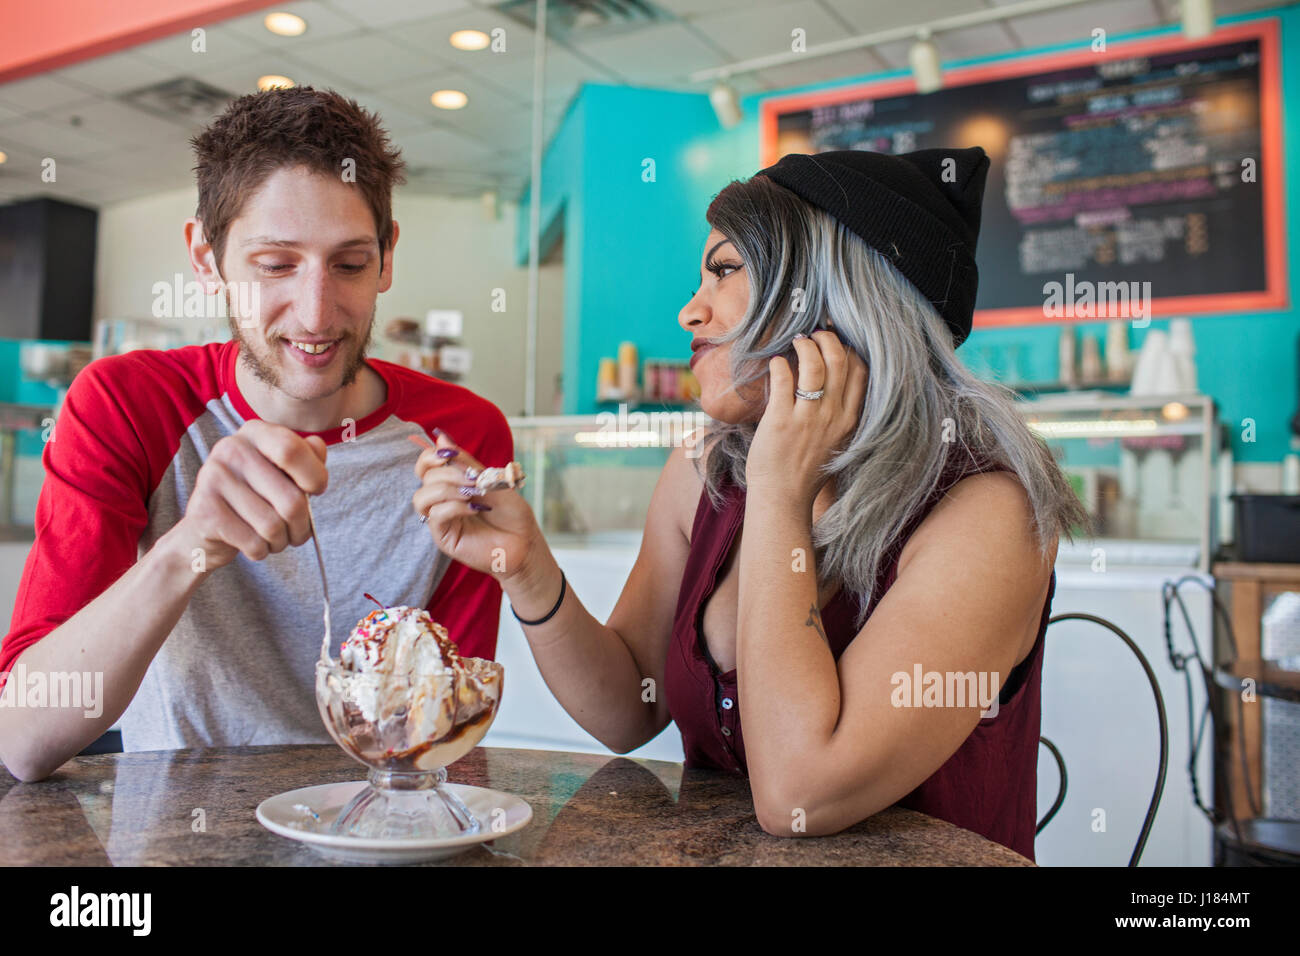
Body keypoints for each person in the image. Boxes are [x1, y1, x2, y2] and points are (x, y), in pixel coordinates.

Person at [412, 147, 1090, 859]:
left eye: (725, 269)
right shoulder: (706, 467)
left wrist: (779, 489)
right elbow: (630, 709)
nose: (689, 309)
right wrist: (527, 570)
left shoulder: (986, 514)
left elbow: (802, 792)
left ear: (831, 298)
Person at [0, 87, 512, 782]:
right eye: (275, 265)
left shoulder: (463, 432)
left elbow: (448, 728)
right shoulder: (128, 404)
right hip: (179, 841)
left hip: (379, 829)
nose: (315, 312)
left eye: (351, 263)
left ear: (388, 257)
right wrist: (189, 545)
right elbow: (22, 738)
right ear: (207, 260)